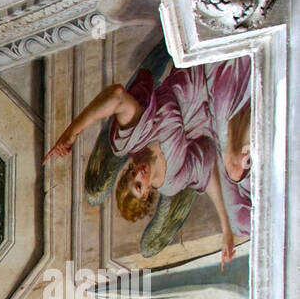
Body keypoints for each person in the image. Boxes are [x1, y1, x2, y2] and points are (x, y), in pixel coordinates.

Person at [45, 57, 251, 269]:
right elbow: (207, 173)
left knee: (236, 166)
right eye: (138, 185)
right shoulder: (170, 183)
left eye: (129, 174)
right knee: (242, 221)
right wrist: (226, 229)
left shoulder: (129, 139)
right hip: (213, 122)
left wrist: (72, 132)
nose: (136, 173)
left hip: (206, 81)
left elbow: (116, 96)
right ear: (146, 194)